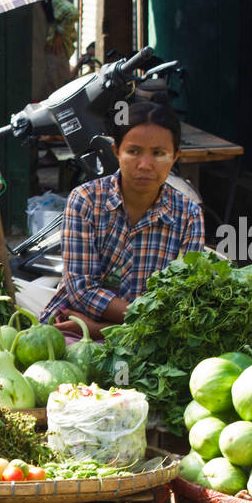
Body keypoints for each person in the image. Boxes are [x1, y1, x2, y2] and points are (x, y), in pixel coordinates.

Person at [41, 101, 205, 340]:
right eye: (134, 151)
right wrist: (144, 318)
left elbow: (183, 307)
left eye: (158, 153)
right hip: (72, 327)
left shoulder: (188, 214)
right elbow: (81, 290)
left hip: (150, 338)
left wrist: (101, 329)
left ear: (175, 156)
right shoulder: (85, 201)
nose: (145, 165)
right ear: (116, 151)